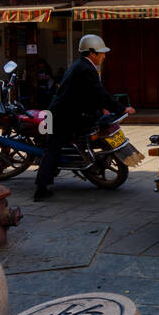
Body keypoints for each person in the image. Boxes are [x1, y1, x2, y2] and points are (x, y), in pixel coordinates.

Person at [35, 33, 136, 200]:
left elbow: (87, 94)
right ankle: (41, 190)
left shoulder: (82, 65)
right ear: (92, 53)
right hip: (61, 116)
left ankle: (82, 160)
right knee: (52, 149)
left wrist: (102, 108)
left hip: (67, 113)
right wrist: (121, 108)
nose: (104, 56)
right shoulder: (85, 68)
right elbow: (99, 93)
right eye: (101, 53)